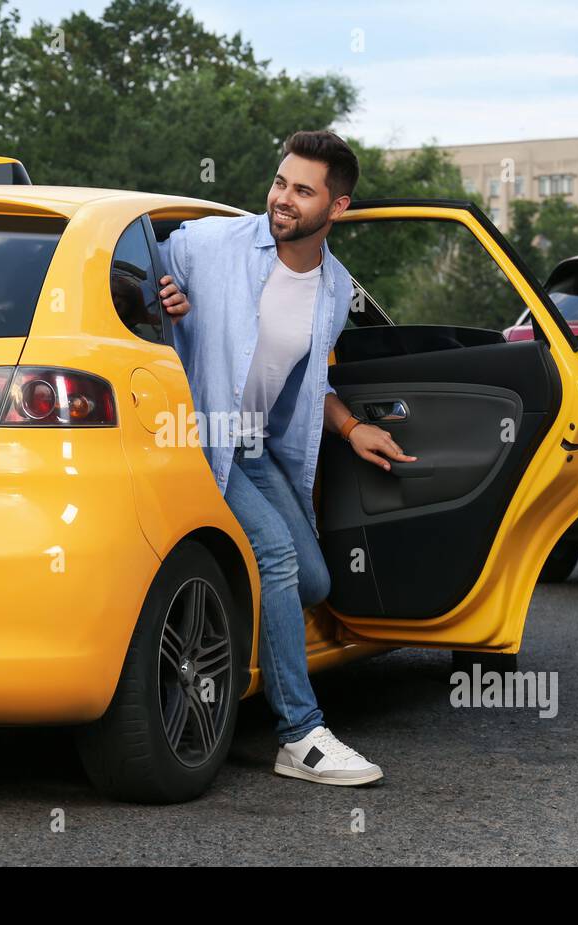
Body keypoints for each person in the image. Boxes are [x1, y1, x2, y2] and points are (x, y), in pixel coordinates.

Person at [155, 130, 415, 786]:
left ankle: (225, 669)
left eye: (303, 190)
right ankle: (299, 732)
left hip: (254, 445)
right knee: (274, 557)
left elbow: (310, 383)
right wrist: (163, 304)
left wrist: (351, 428)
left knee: (314, 584)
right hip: (198, 436)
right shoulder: (210, 243)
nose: (282, 199)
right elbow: (137, 278)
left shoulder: (334, 291)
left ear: (338, 208)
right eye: (280, 182)